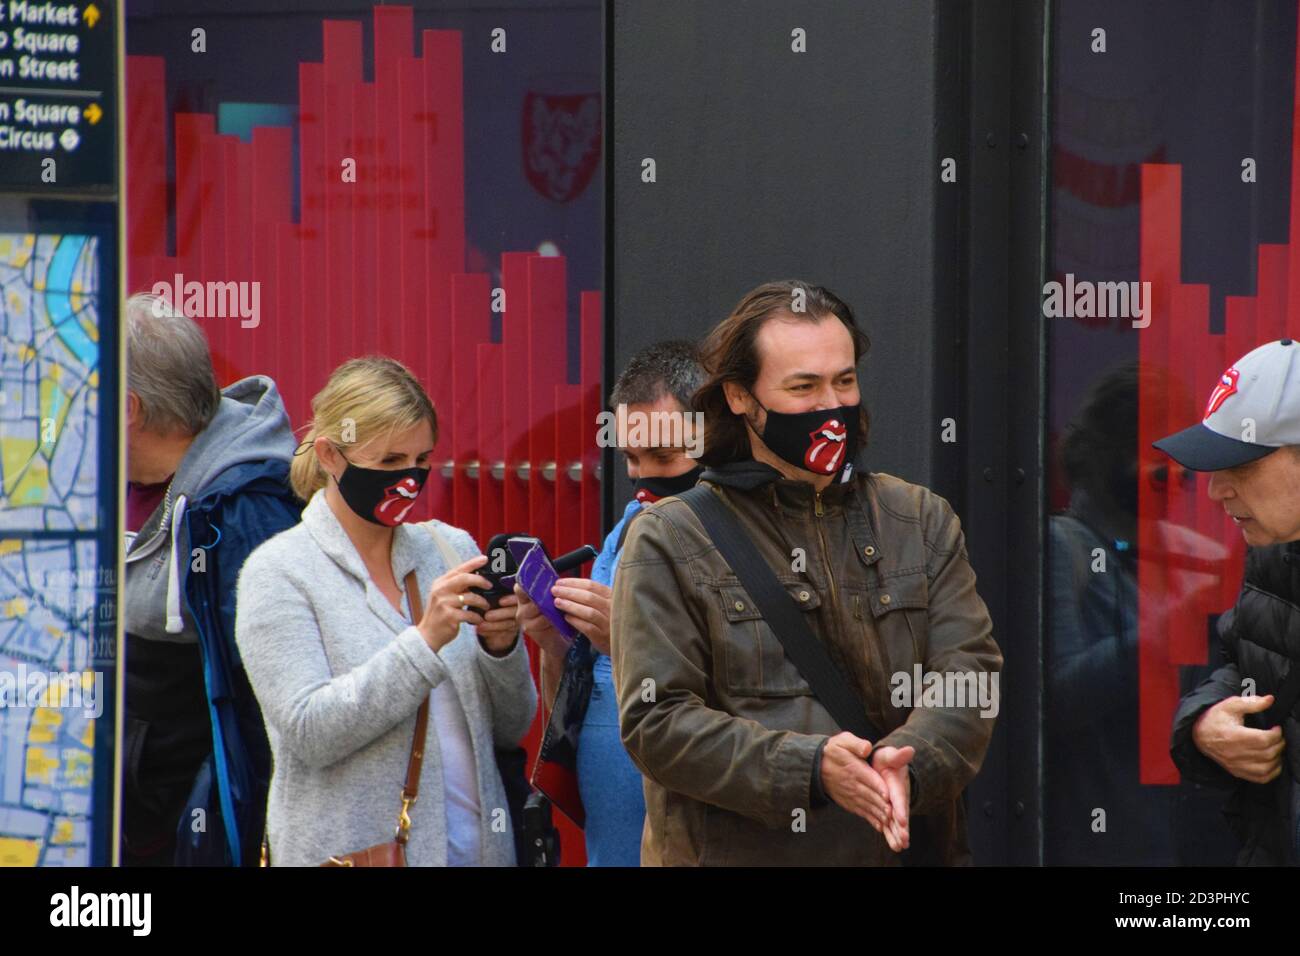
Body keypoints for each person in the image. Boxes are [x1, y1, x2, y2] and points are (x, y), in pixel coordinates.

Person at [611, 280, 1002, 865]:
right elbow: (657, 720)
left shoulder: (919, 518)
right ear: (741, 398)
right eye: (804, 387)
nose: (831, 405)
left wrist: (909, 762)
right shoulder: (671, 536)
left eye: (844, 380)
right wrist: (812, 769)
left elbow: (970, 674)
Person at [234, 356, 536, 866]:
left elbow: (508, 728)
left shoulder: (448, 547)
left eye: (422, 461)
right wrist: (424, 640)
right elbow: (309, 733)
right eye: (390, 462)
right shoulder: (278, 573)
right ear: (331, 455)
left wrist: (500, 648)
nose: (409, 481)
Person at [121, 293, 301, 867]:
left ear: (127, 407)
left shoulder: (242, 512)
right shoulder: (95, 477)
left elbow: (262, 709)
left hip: (191, 833)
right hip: (122, 807)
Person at [515, 341, 705, 866]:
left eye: (664, 457)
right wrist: (555, 647)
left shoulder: (746, 548)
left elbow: (732, 717)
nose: (644, 480)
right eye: (632, 459)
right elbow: (575, 710)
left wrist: (626, 641)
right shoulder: (625, 534)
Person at [1160, 339, 1300, 865]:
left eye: (1240, 466)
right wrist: (1203, 726)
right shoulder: (1273, 553)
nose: (1216, 490)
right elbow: (1239, 662)